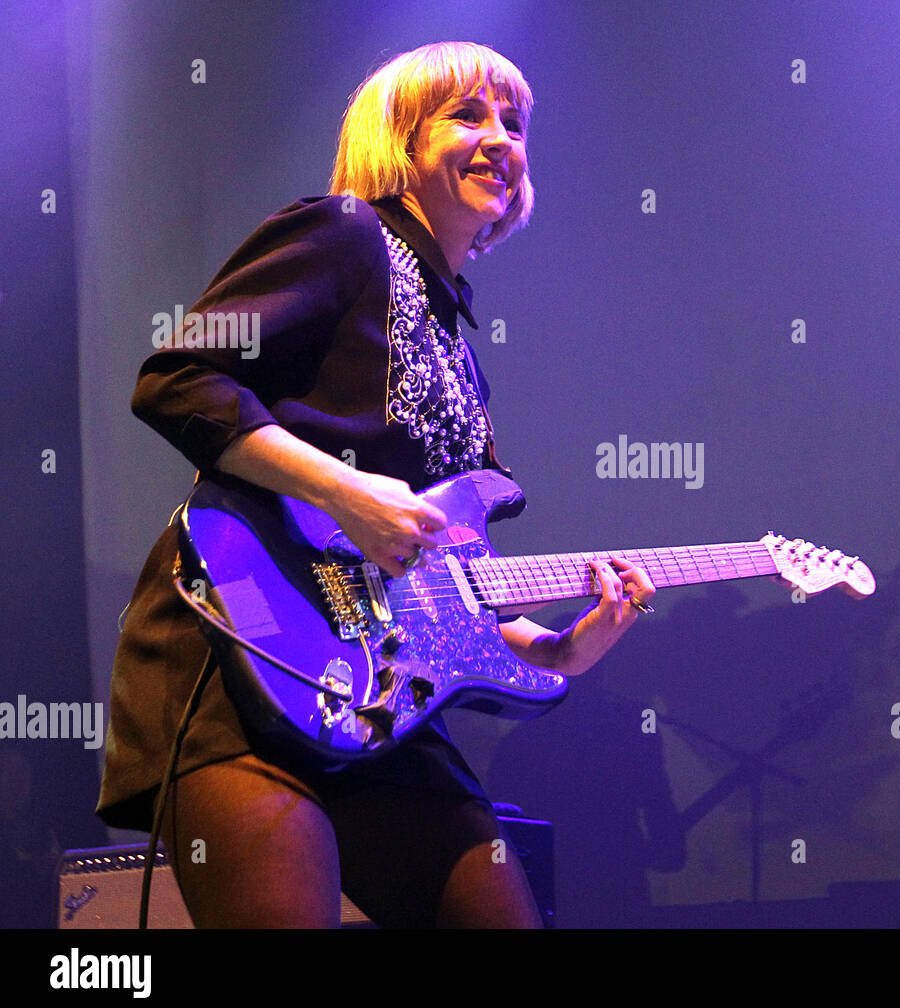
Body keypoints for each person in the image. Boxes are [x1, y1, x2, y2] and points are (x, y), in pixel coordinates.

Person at [96, 41, 655, 928]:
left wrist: (551, 652)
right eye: (467, 115)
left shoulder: (456, 333)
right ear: (399, 139)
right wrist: (347, 494)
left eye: (514, 123)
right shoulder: (345, 234)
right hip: (246, 653)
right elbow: (177, 379)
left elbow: (431, 575)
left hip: (378, 701)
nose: (501, 139)